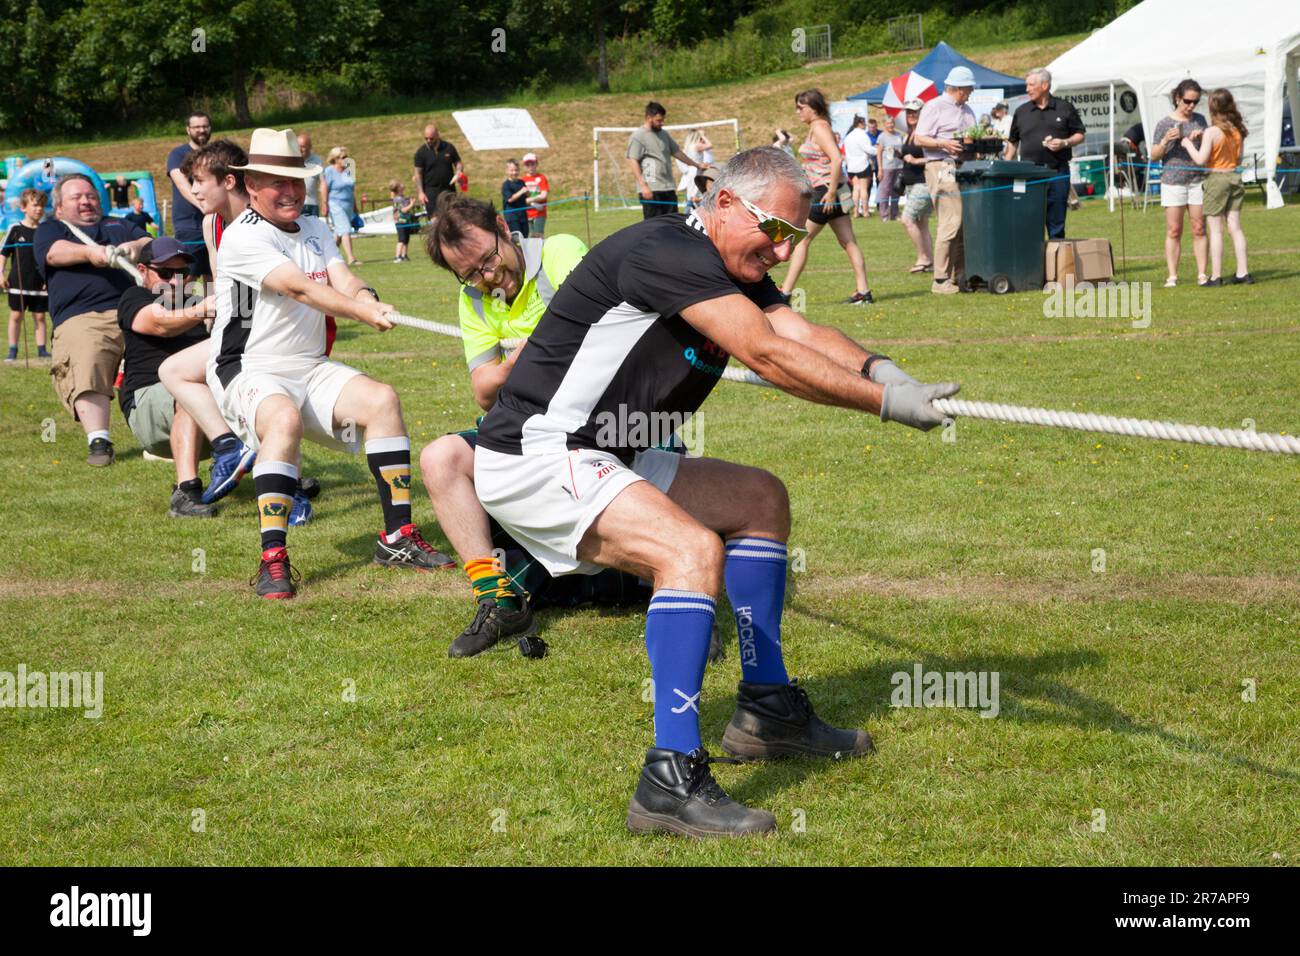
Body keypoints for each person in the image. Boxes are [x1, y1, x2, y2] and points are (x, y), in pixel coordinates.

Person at [471, 147, 959, 837]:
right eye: (777, 230)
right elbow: (767, 354)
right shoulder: (667, 250)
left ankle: (765, 710)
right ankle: (669, 778)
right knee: (690, 552)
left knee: (760, 499)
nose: (785, 247)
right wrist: (883, 404)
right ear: (724, 204)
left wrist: (884, 369)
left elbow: (798, 331)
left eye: (795, 235)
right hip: (537, 453)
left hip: (611, 448)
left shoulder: (732, 264)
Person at [207, 128, 453, 599]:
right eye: (277, 182)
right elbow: (299, 287)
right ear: (251, 185)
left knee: (382, 400)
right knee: (281, 418)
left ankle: (397, 538)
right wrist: (360, 311)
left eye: (297, 181)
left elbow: (342, 277)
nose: (291, 191)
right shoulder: (242, 237)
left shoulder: (316, 229)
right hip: (247, 367)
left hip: (309, 365)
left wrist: (366, 297)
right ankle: (272, 559)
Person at [159, 139, 264, 509]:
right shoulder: (212, 223)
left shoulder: (263, 220)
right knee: (177, 371)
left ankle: (237, 451)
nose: (193, 189)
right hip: (239, 325)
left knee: (177, 371)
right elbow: (222, 282)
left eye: (200, 180)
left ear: (230, 182)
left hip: (270, 330)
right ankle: (232, 449)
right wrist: (212, 313)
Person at [34, 174, 151, 466]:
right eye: (77, 197)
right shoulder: (52, 229)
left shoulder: (118, 225)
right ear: (59, 206)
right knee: (88, 351)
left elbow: (149, 241)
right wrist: (90, 252)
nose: (86, 201)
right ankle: (99, 439)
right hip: (83, 315)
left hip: (135, 308)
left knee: (164, 353)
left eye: (91, 196)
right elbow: (53, 253)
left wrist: (133, 248)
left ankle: (159, 435)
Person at [116, 237, 221, 518]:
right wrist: (201, 311)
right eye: (165, 274)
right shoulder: (134, 298)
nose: (175, 282)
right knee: (188, 393)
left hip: (203, 406)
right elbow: (161, 325)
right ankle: (185, 493)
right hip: (147, 404)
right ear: (142, 270)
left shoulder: (198, 302)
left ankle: (282, 480)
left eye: (182, 274)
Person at [780, 89, 873, 305]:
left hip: (826, 192)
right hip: (837, 190)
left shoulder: (820, 128)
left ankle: (785, 293)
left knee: (801, 240)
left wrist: (830, 193)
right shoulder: (818, 126)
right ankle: (864, 292)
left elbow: (837, 159)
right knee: (849, 242)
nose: (797, 112)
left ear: (813, 108)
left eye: (800, 108)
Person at [914, 67, 977, 295]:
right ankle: (940, 279)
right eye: (969, 89)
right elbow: (920, 137)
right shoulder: (934, 106)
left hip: (963, 167)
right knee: (951, 221)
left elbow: (970, 137)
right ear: (958, 89)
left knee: (962, 224)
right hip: (941, 166)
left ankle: (959, 275)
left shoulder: (968, 110)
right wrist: (944, 144)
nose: (971, 93)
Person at [1004, 68, 1086, 240]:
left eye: (1031, 85)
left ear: (1045, 85)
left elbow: (1080, 135)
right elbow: (1013, 142)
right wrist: (1005, 167)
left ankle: (1056, 263)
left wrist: (1065, 142)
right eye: (1027, 85)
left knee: (1056, 222)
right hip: (1027, 175)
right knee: (1028, 221)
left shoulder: (1065, 108)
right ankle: (1032, 263)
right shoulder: (1021, 112)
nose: (1027, 89)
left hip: (1057, 173)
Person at [1182, 88, 1252, 285]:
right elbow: (1237, 158)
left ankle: (1216, 275)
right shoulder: (1237, 130)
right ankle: (1242, 272)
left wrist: (1188, 144)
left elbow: (1200, 159)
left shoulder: (1212, 131)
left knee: (1216, 230)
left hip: (1217, 179)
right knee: (1235, 228)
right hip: (1234, 178)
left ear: (1212, 107)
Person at [1150, 79, 1209, 287]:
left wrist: (1201, 137)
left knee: (1199, 227)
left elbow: (1208, 149)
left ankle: (1202, 274)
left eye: (1195, 101)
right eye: (1187, 101)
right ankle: (1172, 275)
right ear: (1177, 98)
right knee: (1174, 230)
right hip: (1173, 182)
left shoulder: (1200, 120)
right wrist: (1166, 140)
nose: (1191, 106)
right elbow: (1154, 155)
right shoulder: (1164, 123)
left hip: (1197, 180)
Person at [626, 102, 706, 219]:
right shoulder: (638, 136)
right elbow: (632, 160)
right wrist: (643, 186)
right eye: (659, 120)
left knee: (672, 223)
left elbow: (677, 152)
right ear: (649, 118)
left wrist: (696, 165)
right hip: (652, 189)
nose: (662, 123)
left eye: (663, 120)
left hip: (668, 187)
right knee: (654, 226)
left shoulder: (664, 134)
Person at [1, 189, 50, 361]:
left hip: (41, 283)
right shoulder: (15, 229)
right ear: (23, 207)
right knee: (16, 316)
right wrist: (1, 275)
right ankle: (12, 350)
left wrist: (49, 278)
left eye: (42, 206)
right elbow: (3, 254)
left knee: (40, 316)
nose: (39, 209)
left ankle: (42, 350)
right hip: (18, 282)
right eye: (35, 205)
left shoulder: (46, 231)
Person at [166, 111, 213, 279]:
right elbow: (181, 183)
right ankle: (175, 305)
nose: (201, 130)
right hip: (189, 227)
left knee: (214, 276)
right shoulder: (178, 154)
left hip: (215, 223)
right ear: (188, 130)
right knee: (185, 277)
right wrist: (203, 206)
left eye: (205, 126)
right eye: (197, 127)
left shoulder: (215, 155)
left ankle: (214, 306)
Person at [898, 100, 934, 273]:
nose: (911, 115)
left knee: (907, 219)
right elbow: (908, 155)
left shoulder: (926, 133)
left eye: (915, 112)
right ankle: (930, 260)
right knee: (921, 223)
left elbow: (935, 157)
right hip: (911, 182)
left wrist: (916, 160)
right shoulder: (909, 133)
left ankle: (923, 258)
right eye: (908, 112)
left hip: (924, 182)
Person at [413, 123, 463, 214]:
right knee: (435, 220)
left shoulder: (449, 148)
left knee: (452, 216)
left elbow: (458, 162)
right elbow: (418, 174)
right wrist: (420, 192)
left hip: (448, 189)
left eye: (431, 138)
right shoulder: (421, 153)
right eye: (426, 138)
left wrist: (459, 171)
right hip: (431, 191)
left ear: (437, 135)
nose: (428, 141)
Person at [323, 147, 360, 266]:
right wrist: (325, 205)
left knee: (339, 233)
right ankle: (351, 258)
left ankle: (327, 257)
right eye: (343, 157)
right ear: (335, 159)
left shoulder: (349, 169)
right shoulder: (329, 171)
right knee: (345, 229)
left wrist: (355, 207)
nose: (345, 159)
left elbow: (351, 189)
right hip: (335, 204)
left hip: (348, 204)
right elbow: (324, 189)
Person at [875, 115, 905, 221]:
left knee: (896, 190)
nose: (891, 125)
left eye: (892, 123)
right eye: (888, 123)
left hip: (899, 166)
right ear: (884, 124)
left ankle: (895, 213)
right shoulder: (882, 137)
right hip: (887, 167)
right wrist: (880, 168)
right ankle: (884, 215)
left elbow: (903, 151)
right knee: (885, 190)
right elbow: (878, 153)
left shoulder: (899, 135)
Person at [842, 116, 873, 217]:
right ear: (860, 123)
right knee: (863, 189)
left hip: (851, 166)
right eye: (864, 123)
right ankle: (865, 211)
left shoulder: (848, 136)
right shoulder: (862, 135)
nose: (865, 125)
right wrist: (879, 150)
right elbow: (868, 149)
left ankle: (855, 212)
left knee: (856, 188)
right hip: (862, 164)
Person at [677, 129, 714, 213]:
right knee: (695, 194)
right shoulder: (696, 146)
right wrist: (703, 135)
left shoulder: (688, 146)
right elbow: (710, 145)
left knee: (692, 193)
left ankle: (691, 211)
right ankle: (690, 212)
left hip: (692, 170)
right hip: (696, 170)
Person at [298, 133, 327, 218]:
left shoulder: (317, 161)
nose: (300, 149)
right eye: (298, 146)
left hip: (312, 204)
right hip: (296, 204)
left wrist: (324, 203)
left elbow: (323, 182)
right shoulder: (292, 160)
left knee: (313, 230)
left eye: (303, 146)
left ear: (310, 147)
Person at [520, 153, 549, 237]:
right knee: (529, 238)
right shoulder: (522, 180)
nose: (530, 167)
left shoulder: (542, 178)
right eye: (527, 165)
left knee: (538, 236)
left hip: (539, 213)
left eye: (532, 164)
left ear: (536, 164)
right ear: (524, 166)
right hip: (526, 214)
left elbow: (544, 195)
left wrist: (530, 200)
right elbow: (522, 198)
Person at [390, 180, 418, 263]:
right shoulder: (398, 199)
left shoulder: (402, 198)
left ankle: (404, 255)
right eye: (400, 185)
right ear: (398, 189)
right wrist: (411, 204)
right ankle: (397, 256)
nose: (403, 185)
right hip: (400, 222)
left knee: (406, 239)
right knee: (401, 239)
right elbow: (403, 210)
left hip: (406, 221)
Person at [501, 159, 530, 236]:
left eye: (516, 170)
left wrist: (527, 193)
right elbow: (510, 199)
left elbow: (526, 195)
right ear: (507, 171)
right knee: (516, 238)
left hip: (523, 215)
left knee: (525, 237)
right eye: (512, 170)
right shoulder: (506, 185)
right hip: (512, 217)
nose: (514, 172)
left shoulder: (521, 182)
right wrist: (521, 191)